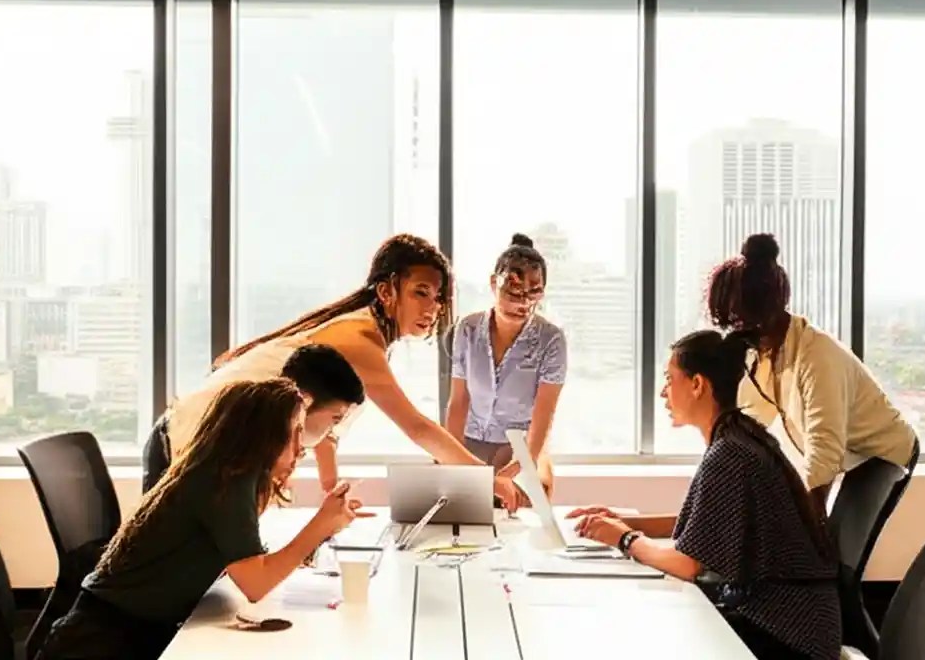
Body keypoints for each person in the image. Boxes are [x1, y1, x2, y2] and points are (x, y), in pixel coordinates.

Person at [166, 233, 519, 510]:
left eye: (438, 297)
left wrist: (330, 493)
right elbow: (417, 427)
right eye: (420, 292)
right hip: (188, 442)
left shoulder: (370, 339)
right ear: (386, 291)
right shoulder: (360, 338)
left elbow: (326, 430)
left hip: (205, 447)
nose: (432, 307)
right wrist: (486, 479)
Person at [38, 378, 369, 660]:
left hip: (123, 631)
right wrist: (319, 527)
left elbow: (247, 563)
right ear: (262, 436)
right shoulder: (224, 483)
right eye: (294, 432)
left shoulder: (227, 474)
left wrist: (326, 528)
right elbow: (256, 583)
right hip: (103, 644)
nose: (301, 448)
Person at [567, 330, 840, 660]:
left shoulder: (730, 454)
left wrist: (626, 539)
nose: (662, 392)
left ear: (697, 384)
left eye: (670, 379)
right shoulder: (739, 436)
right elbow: (709, 527)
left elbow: (688, 564)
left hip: (785, 635)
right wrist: (624, 521)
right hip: (793, 624)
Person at [706, 233, 920, 516]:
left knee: (837, 544)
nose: (740, 335)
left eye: (745, 326)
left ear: (769, 311)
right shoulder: (765, 353)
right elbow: (746, 425)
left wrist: (799, 526)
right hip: (844, 452)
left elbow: (823, 454)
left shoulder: (818, 357)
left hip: (883, 454)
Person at [142, 344, 365, 493]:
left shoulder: (274, 428)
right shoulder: (244, 441)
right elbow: (246, 561)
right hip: (174, 441)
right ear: (305, 402)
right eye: (335, 419)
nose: (331, 432)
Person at [446, 233, 564, 501]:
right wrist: (450, 457)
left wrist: (518, 466)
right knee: (457, 507)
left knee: (520, 502)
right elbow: (459, 401)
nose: (521, 303)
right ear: (493, 283)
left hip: (521, 444)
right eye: (512, 291)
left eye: (532, 293)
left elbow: (544, 414)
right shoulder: (467, 329)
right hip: (471, 438)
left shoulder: (551, 339)